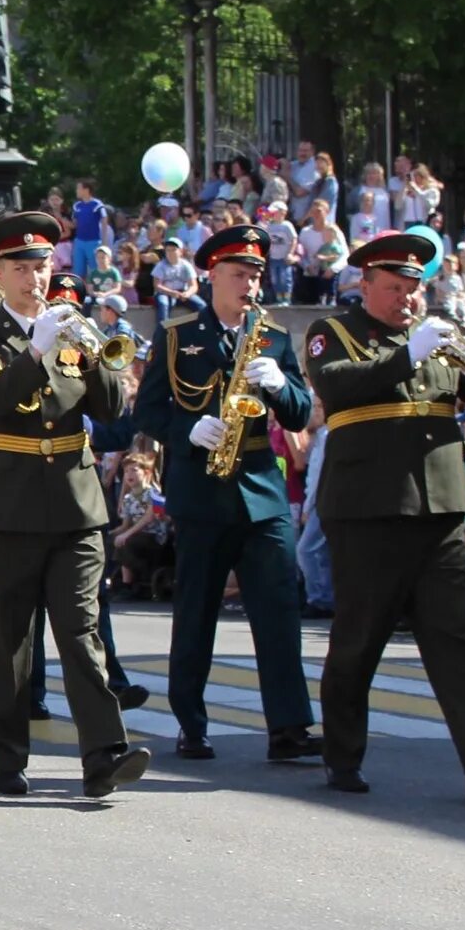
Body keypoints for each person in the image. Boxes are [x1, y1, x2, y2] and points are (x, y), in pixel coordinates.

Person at [302, 230, 465, 797]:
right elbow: (336, 387)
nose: (406, 299)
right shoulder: (332, 332)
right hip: (369, 509)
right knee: (359, 640)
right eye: (394, 287)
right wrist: (408, 353)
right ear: (365, 285)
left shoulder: (433, 334)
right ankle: (342, 755)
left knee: (453, 637)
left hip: (437, 507)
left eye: (414, 289)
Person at [0, 214, 147, 796]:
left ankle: (104, 754)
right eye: (21, 268)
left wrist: (95, 356)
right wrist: (34, 355)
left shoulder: (69, 327)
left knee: (80, 629)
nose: (34, 278)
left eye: (42, 266)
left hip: (74, 500)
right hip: (12, 502)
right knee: (11, 637)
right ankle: (8, 759)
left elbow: (112, 410)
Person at [130, 221, 320, 762]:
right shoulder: (179, 332)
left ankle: (288, 727)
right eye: (239, 274)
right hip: (202, 490)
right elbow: (146, 410)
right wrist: (185, 431)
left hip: (261, 488)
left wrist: (282, 386)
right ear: (213, 275)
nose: (250, 286)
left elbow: (302, 412)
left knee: (279, 611)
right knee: (197, 611)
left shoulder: (274, 335)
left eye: (256, 275)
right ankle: (191, 723)